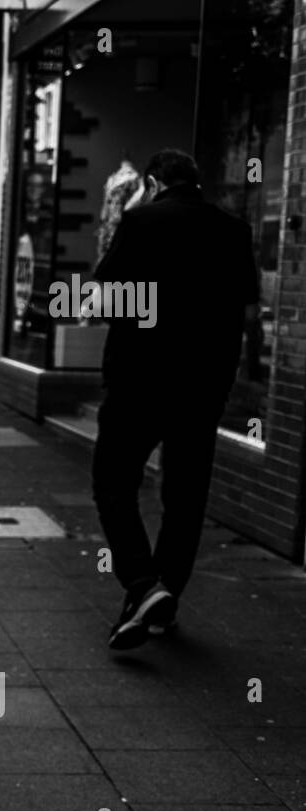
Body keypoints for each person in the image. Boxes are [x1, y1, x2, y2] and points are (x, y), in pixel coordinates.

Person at [90, 148, 259, 651]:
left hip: (138, 381)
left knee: (113, 481)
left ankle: (143, 584)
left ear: (153, 183)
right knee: (184, 499)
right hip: (203, 387)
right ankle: (161, 603)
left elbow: (101, 299)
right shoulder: (234, 230)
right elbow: (249, 316)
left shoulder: (141, 222)